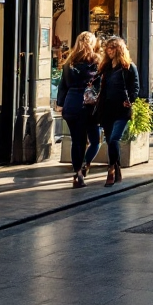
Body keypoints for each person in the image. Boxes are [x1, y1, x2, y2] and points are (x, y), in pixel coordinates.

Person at [57, 32, 101, 188]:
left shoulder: (70, 61)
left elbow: (62, 85)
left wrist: (60, 104)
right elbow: (100, 84)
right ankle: (81, 170)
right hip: (86, 105)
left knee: (77, 141)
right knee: (90, 140)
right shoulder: (95, 61)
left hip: (70, 103)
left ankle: (78, 173)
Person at [95, 37, 139, 188]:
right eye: (108, 49)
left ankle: (111, 169)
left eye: (112, 48)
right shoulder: (106, 67)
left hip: (121, 109)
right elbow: (100, 86)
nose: (109, 51)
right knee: (109, 141)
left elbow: (135, 87)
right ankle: (117, 167)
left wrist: (130, 100)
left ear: (119, 49)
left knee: (114, 139)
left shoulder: (128, 67)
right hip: (107, 109)